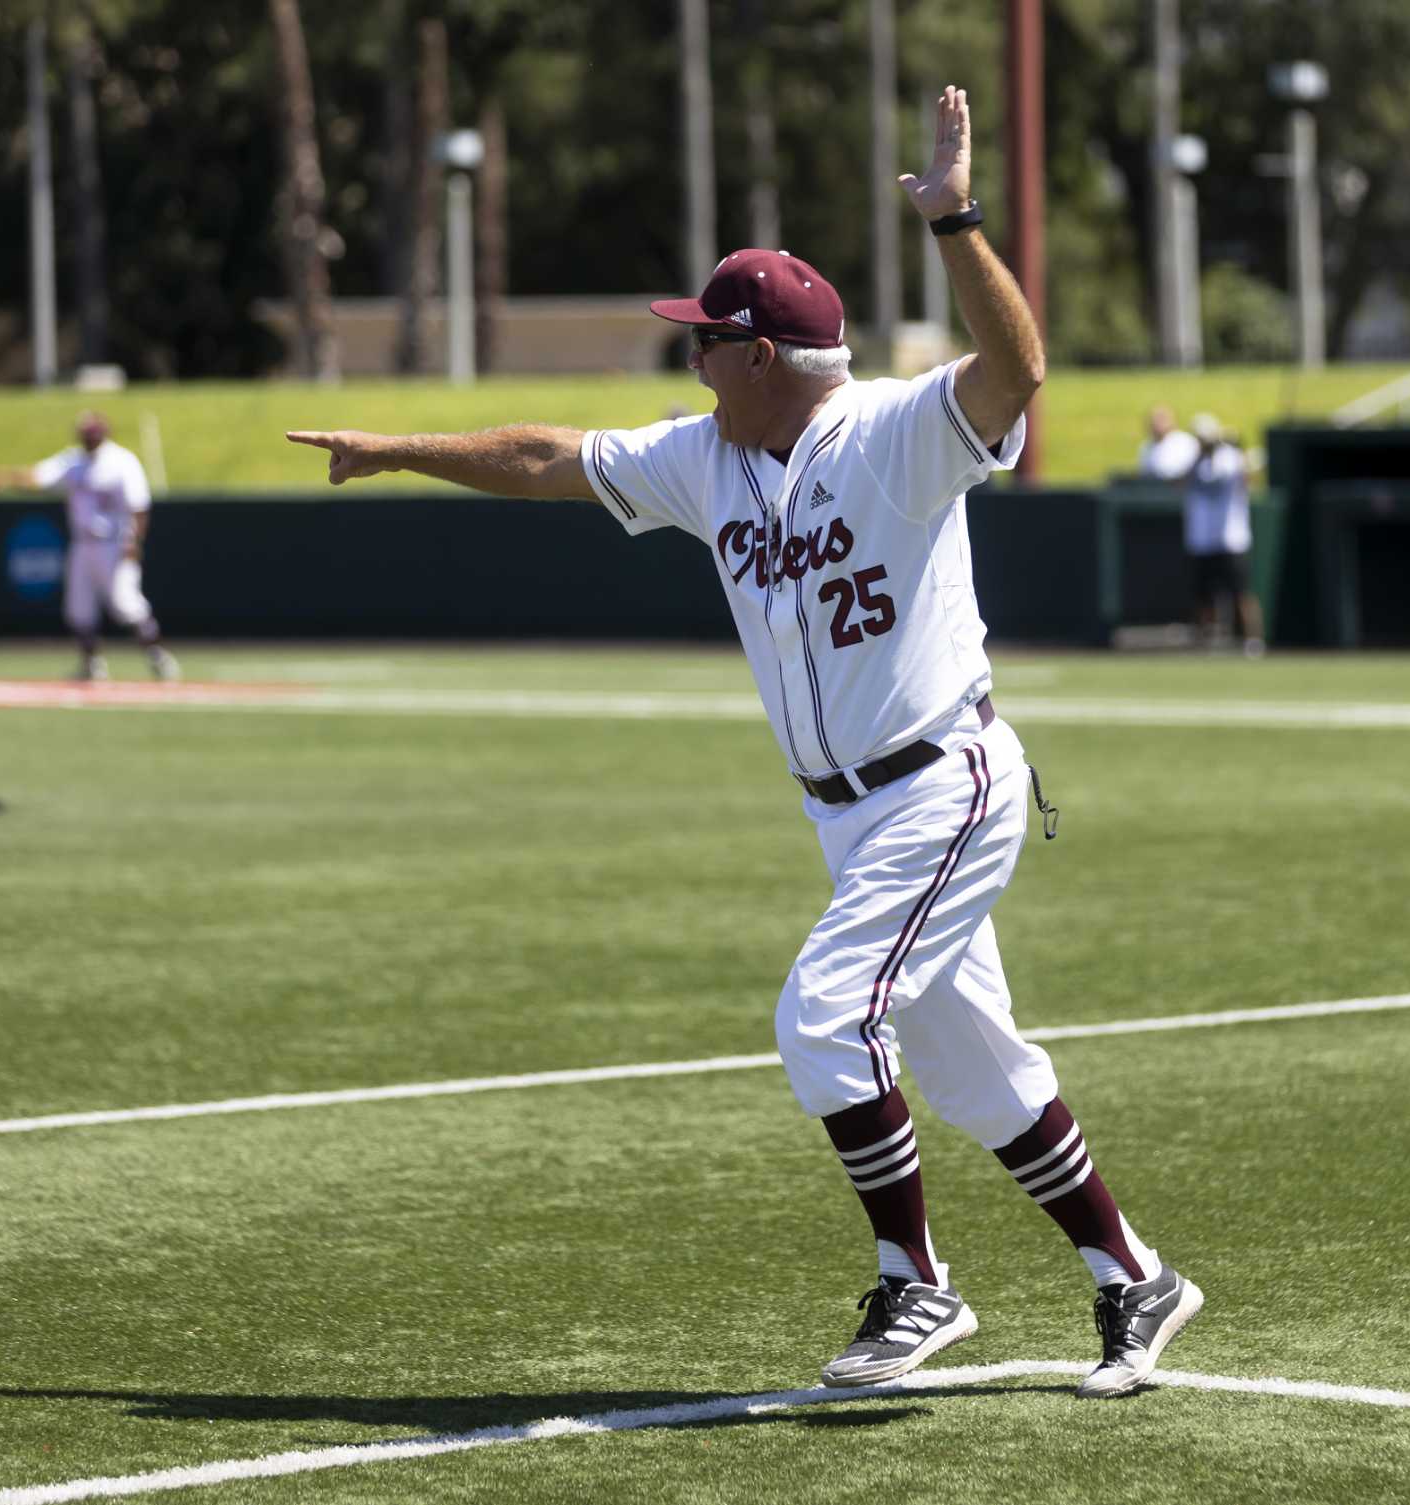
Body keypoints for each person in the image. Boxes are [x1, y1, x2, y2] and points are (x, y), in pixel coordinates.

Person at [287, 85, 1200, 1401]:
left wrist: (956, 222)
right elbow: (550, 455)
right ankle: (1136, 1276)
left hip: (944, 780)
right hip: (848, 811)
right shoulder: (710, 456)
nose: (692, 360)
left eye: (707, 341)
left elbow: (1019, 373)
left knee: (827, 1019)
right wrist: (395, 449)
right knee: (973, 1066)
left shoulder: (890, 433)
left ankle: (918, 1287)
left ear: (762, 355)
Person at [0, 412, 178, 682]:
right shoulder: (73, 462)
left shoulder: (122, 461)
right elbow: (39, 477)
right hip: (83, 545)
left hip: (115, 544)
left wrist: (134, 541)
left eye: (93, 433)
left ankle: (157, 656)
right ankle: (92, 665)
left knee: (126, 604)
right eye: (85, 434)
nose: (89, 438)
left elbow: (140, 506)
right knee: (79, 609)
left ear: (103, 434)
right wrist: (6, 478)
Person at [1181, 414, 1264, 656]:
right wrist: (1200, 456)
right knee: (1203, 595)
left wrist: (1231, 449)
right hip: (1202, 540)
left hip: (1231, 539)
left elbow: (1242, 479)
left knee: (1241, 593)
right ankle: (1205, 641)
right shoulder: (1195, 462)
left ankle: (1253, 640)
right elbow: (1181, 481)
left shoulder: (1230, 458)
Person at [1135, 405, 1197, 482]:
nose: (1157, 425)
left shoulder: (1185, 442)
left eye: (1162, 420)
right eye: (1154, 421)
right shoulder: (1147, 446)